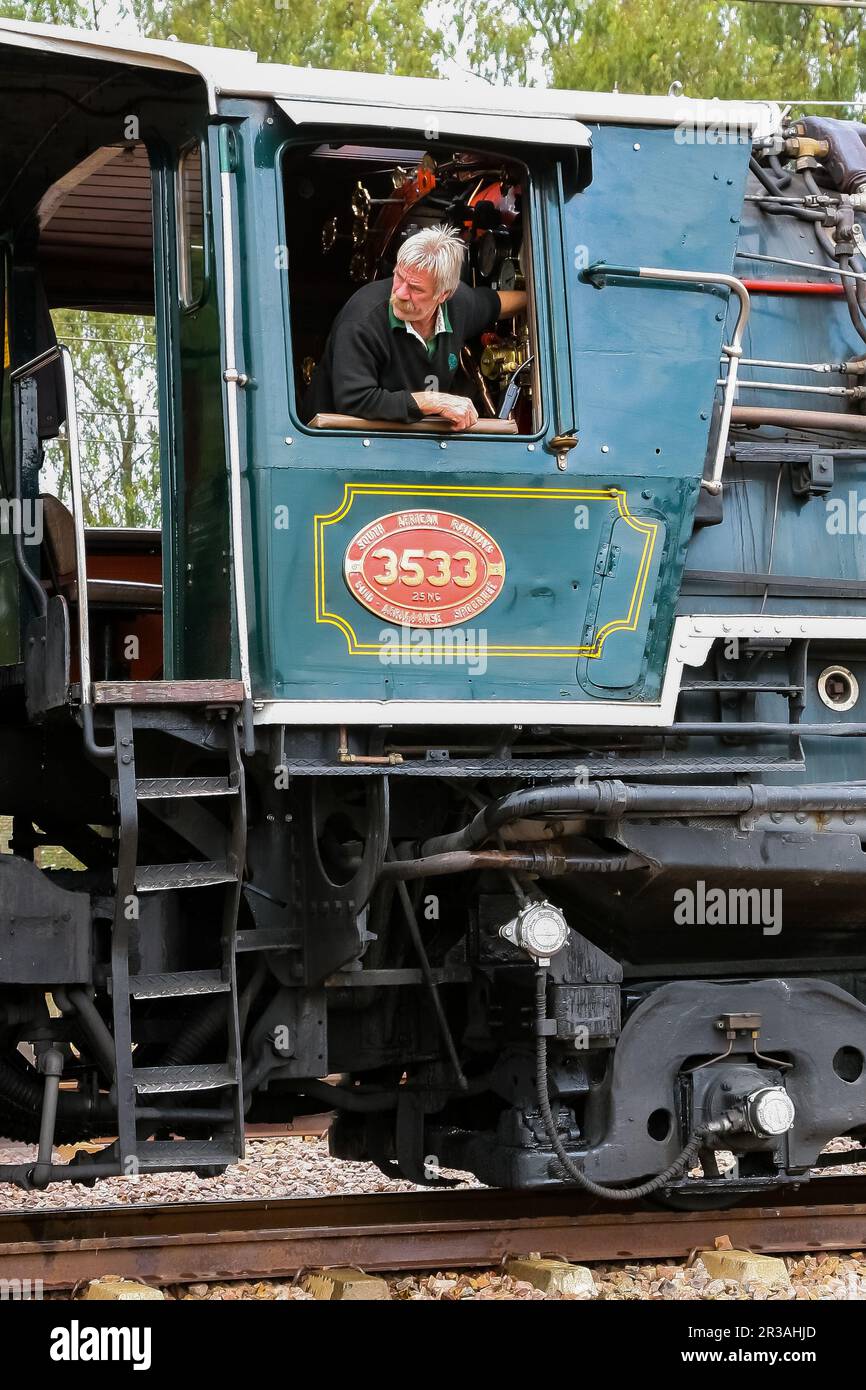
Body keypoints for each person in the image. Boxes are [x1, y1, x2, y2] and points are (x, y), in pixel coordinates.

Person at [301, 224, 527, 429]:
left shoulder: (459, 305)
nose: (399, 293)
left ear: (444, 294)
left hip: (415, 441)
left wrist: (545, 297)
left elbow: (495, 303)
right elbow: (355, 400)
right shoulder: (362, 320)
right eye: (398, 277)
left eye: (416, 289)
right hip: (339, 445)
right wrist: (432, 402)